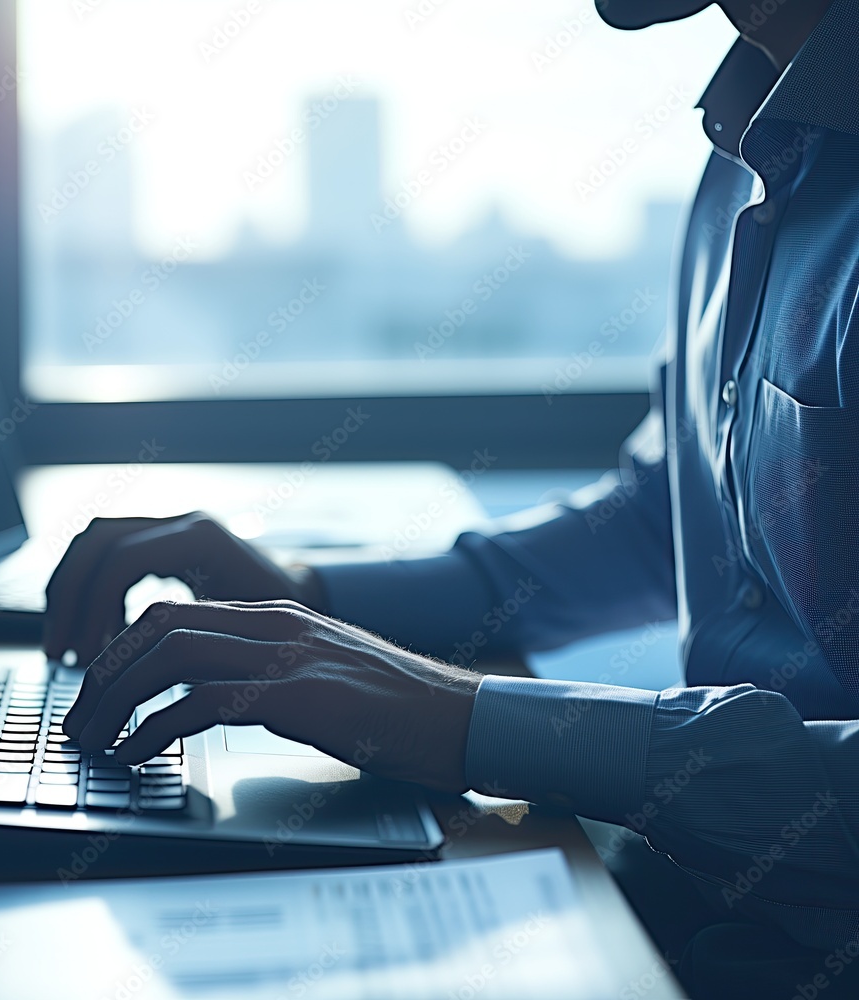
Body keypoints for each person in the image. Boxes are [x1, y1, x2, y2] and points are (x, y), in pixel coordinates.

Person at [47, 1, 859, 995]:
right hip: (685, 897)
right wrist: (311, 597)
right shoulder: (749, 144)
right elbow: (669, 519)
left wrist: (466, 721)